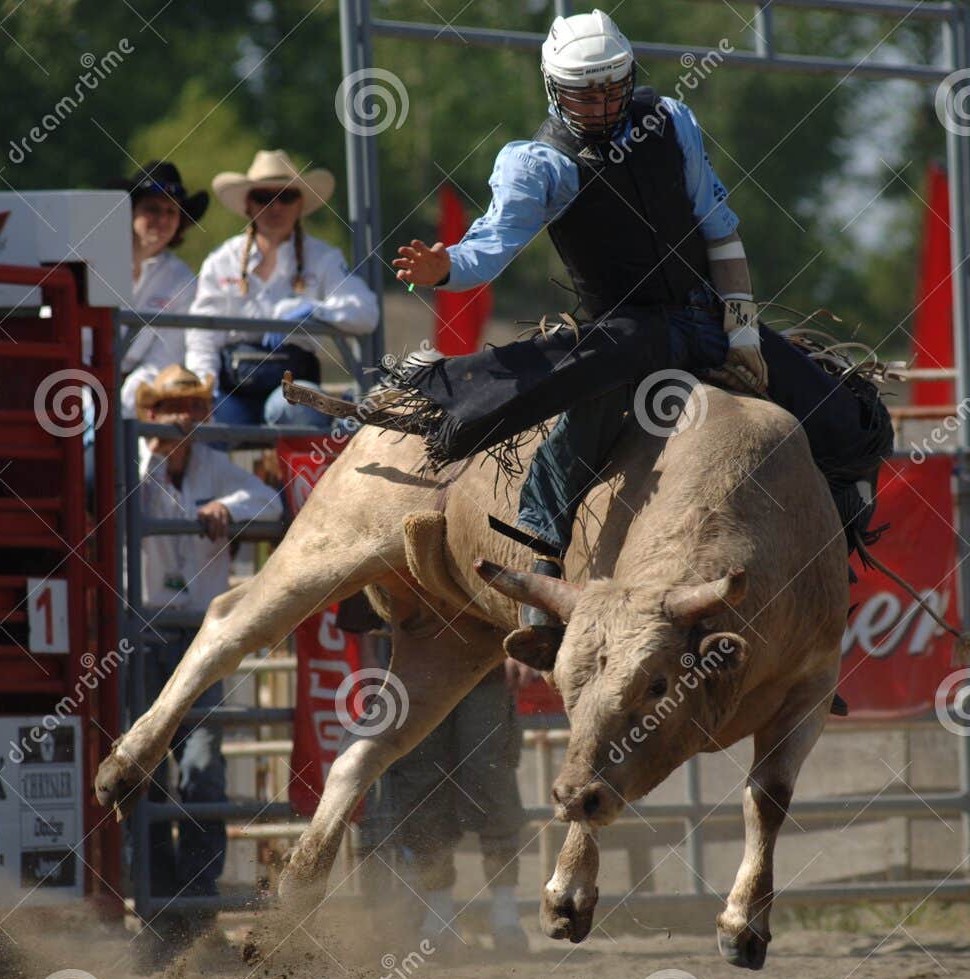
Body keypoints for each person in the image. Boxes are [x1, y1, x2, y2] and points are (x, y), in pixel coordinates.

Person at [355, 8, 886, 672]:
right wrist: (448, 267)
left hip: (706, 317)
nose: (604, 103)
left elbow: (719, 226)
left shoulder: (671, 122)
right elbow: (490, 249)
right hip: (624, 329)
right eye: (586, 91)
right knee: (580, 429)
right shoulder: (538, 164)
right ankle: (540, 572)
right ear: (555, 89)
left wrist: (743, 330)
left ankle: (825, 569)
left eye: (613, 85)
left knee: (851, 418)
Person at [134, 366, 283, 933]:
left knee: (200, 768)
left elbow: (266, 502)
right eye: (171, 406)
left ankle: (195, 904)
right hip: (146, 634)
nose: (182, 417)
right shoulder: (135, 466)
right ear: (150, 415)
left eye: (193, 407)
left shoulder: (213, 466)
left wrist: (229, 510)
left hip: (198, 638)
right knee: (147, 770)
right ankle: (161, 899)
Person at [186, 150, 379, 429]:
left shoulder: (324, 257)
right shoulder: (221, 260)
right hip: (231, 387)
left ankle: (293, 475)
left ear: (299, 205)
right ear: (248, 206)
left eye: (286, 197)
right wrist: (205, 387)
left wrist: (315, 311)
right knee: (204, 417)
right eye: (264, 198)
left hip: (291, 382)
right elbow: (201, 337)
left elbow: (366, 312)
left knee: (296, 406)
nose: (275, 207)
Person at [372, 663, 529, 953]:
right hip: (415, 665)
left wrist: (517, 646)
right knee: (422, 780)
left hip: (484, 659)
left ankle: (505, 911)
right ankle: (439, 911)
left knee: (490, 774)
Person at [111, 161, 207, 416]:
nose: (162, 219)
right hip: (75, 381)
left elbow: (163, 357)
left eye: (171, 212)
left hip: (143, 396)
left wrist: (124, 401)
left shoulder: (182, 279)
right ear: (129, 212)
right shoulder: (93, 261)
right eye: (152, 209)